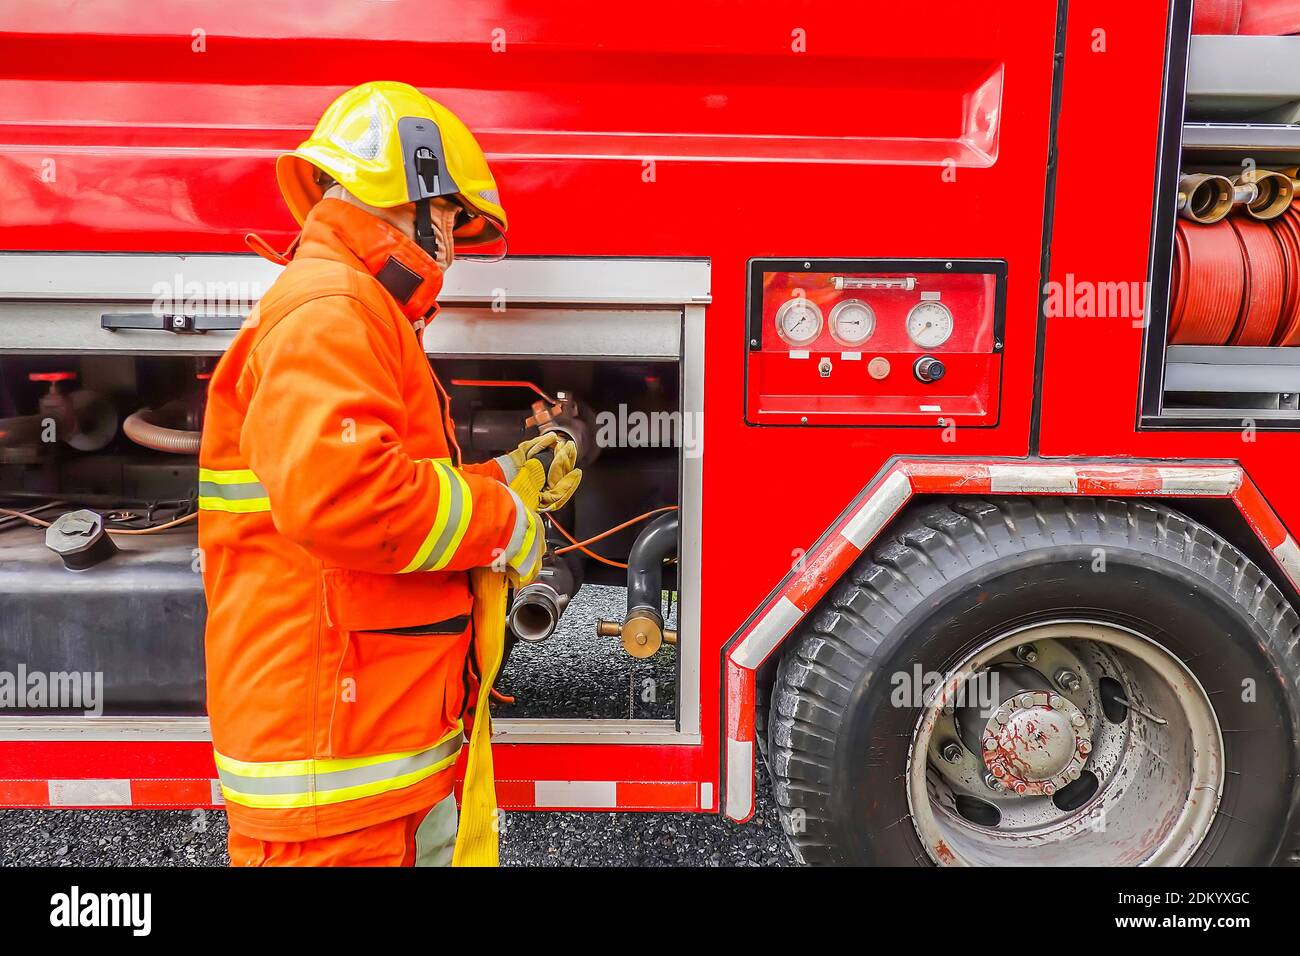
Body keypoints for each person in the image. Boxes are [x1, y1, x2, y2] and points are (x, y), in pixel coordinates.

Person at [199, 81, 571, 866]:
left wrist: (501, 475)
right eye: (455, 222)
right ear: (420, 194)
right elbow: (353, 498)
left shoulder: (345, 306)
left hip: (359, 758)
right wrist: (505, 524)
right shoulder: (333, 310)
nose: (454, 248)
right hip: (335, 780)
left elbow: (385, 475)